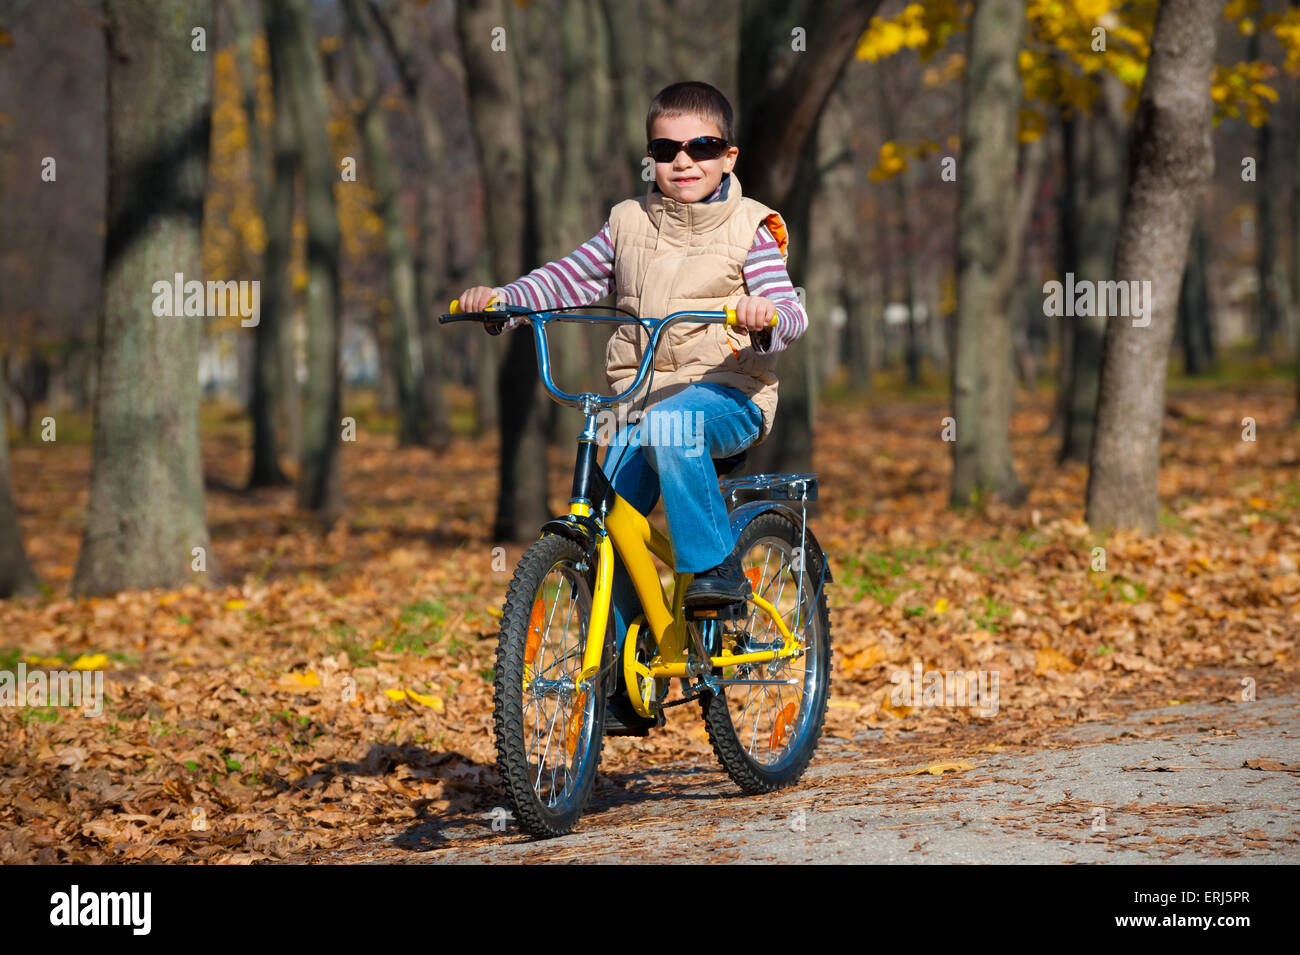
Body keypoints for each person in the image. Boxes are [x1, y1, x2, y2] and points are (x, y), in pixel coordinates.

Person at [457, 81, 809, 731]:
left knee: (672, 427)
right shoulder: (627, 224)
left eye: (701, 147)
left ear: (728, 156)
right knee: (606, 520)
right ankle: (620, 673)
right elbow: (566, 277)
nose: (683, 161)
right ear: (651, 157)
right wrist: (508, 300)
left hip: (727, 393)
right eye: (666, 149)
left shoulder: (751, 227)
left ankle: (715, 571)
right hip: (636, 400)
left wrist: (765, 316)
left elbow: (789, 309)